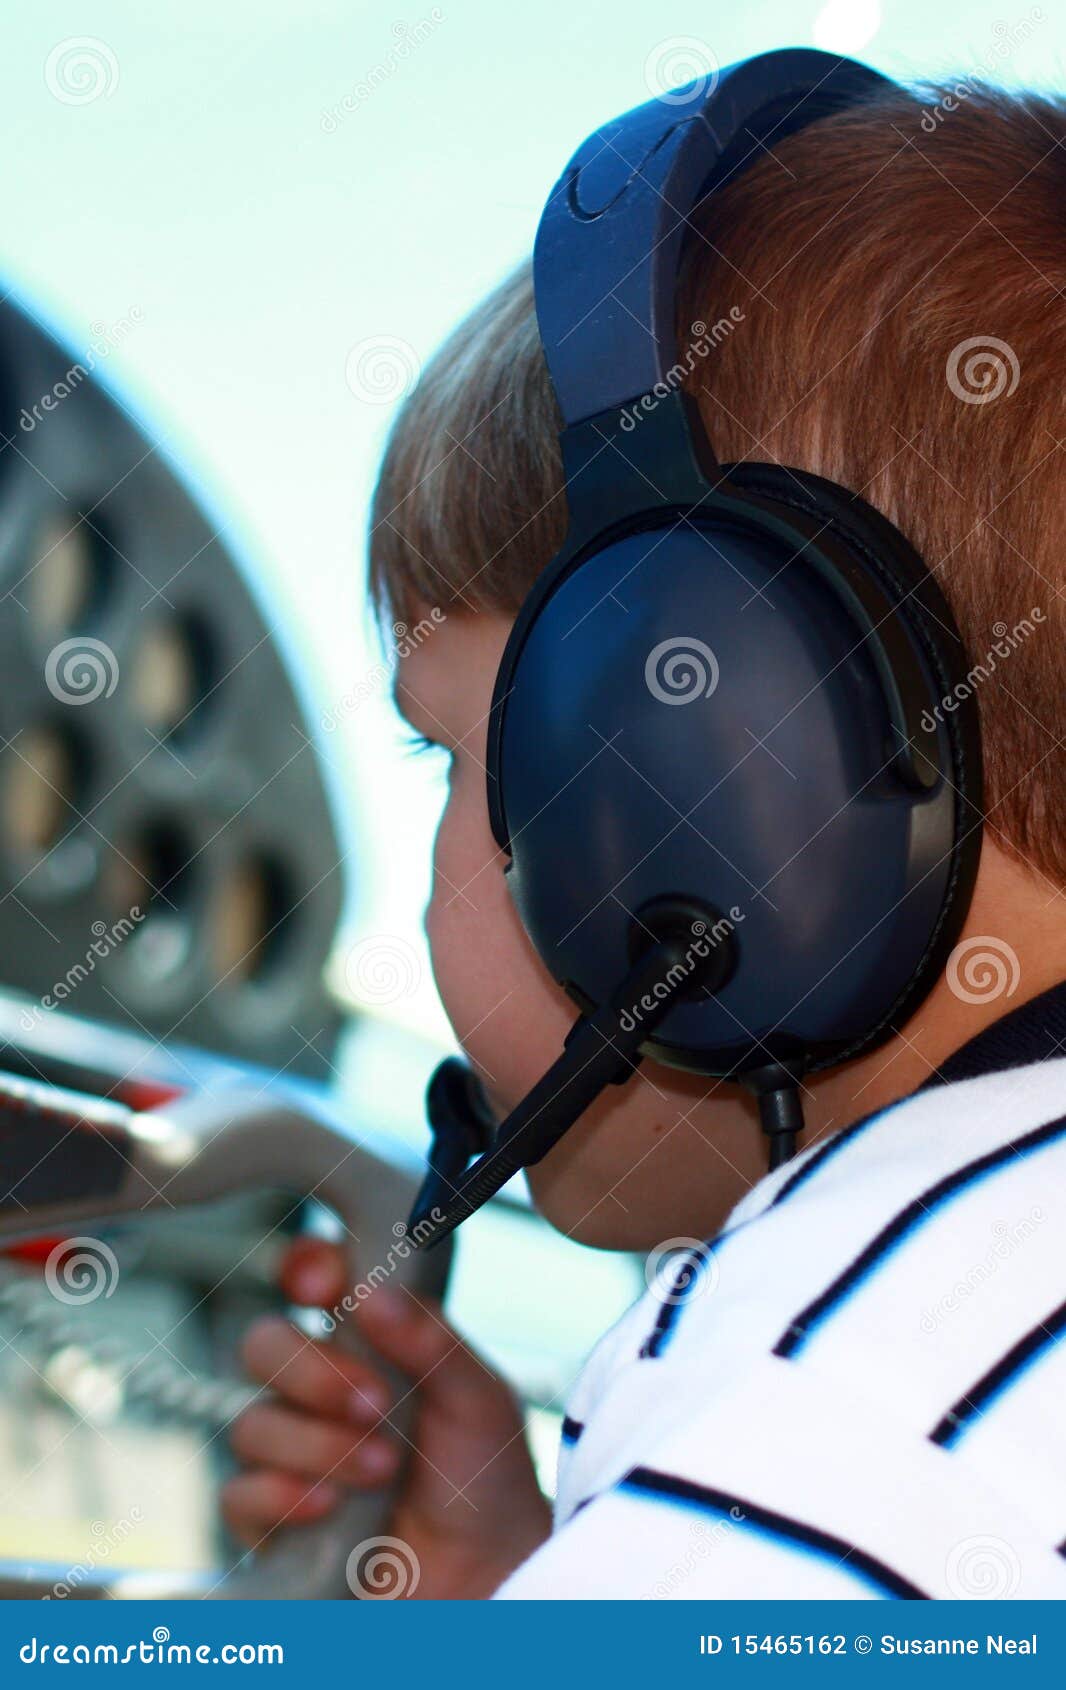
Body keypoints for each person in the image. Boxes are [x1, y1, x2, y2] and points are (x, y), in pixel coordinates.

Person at [221, 74, 1066, 1598]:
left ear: (720, 775)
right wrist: (532, 1587)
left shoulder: (836, 1393)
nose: (423, 898)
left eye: (448, 754)